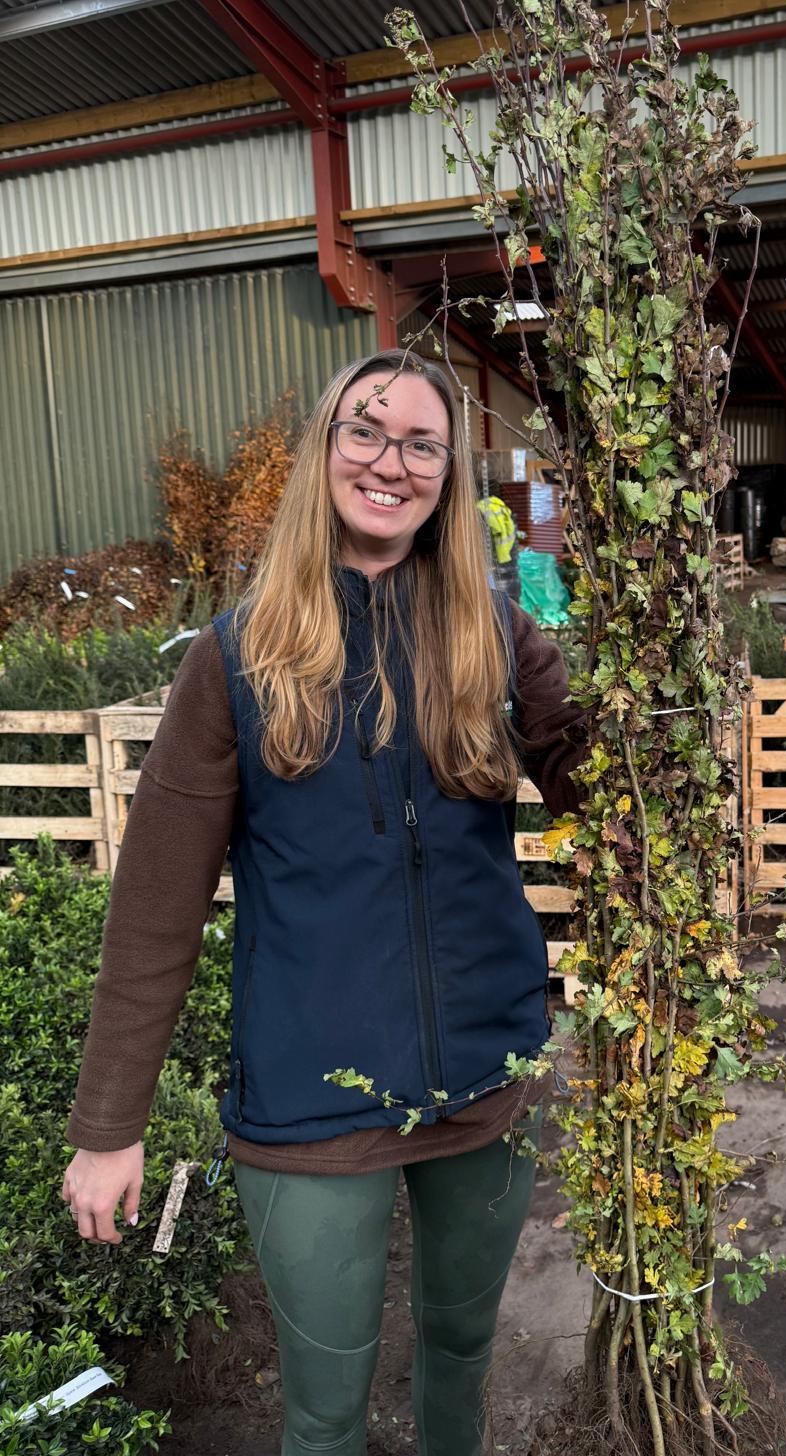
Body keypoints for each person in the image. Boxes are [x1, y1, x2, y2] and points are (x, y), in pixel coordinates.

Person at [61, 350, 589, 1456]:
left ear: (451, 474)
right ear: (324, 448)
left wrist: (656, 718)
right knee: (323, 1406)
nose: (390, 462)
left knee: (461, 1353)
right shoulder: (237, 658)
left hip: (485, 1069)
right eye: (366, 431)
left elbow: (604, 786)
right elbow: (155, 904)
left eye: (421, 443)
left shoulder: (493, 632)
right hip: (310, 1095)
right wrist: (109, 1127)